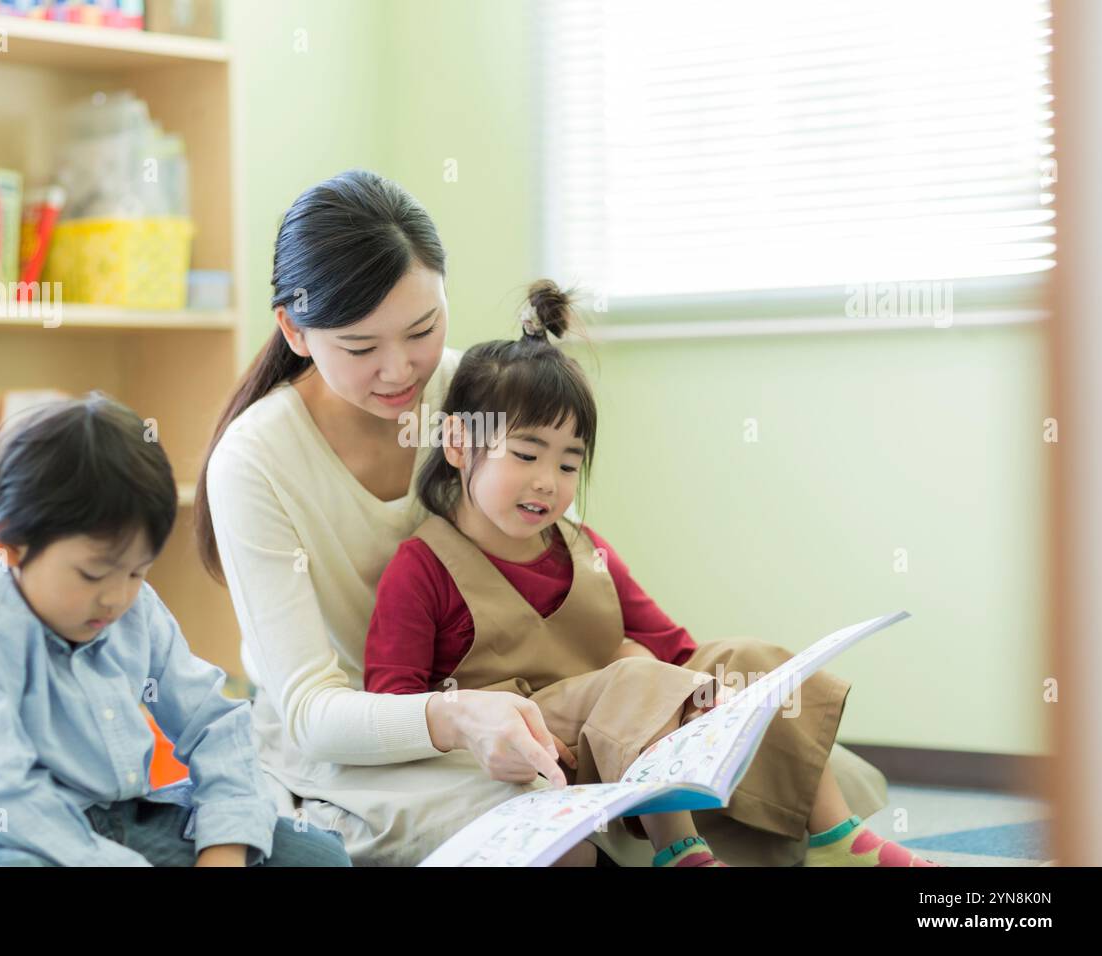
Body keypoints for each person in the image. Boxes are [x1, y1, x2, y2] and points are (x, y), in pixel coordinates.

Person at [196, 168, 890, 866]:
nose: (400, 370)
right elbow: (315, 714)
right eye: (359, 348)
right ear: (294, 328)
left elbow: (569, 561)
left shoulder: (482, 391)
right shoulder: (254, 462)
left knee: (821, 776)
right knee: (550, 830)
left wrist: (657, 689)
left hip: (550, 697)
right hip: (377, 742)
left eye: (422, 329)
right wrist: (460, 717)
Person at [363, 280, 941, 867]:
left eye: (569, 462)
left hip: (622, 732)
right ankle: (680, 850)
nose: (548, 481)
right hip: (535, 747)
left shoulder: (585, 550)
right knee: (635, 668)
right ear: (460, 444)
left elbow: (680, 653)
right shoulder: (422, 567)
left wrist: (719, 698)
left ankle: (836, 840)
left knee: (749, 659)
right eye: (527, 453)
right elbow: (392, 709)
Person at [0, 392, 351, 867]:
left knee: (316, 856)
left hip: (116, 819)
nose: (116, 597)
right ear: (11, 546)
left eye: (137, 571)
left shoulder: (132, 605)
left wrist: (224, 845)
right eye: (92, 574)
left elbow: (213, 724)